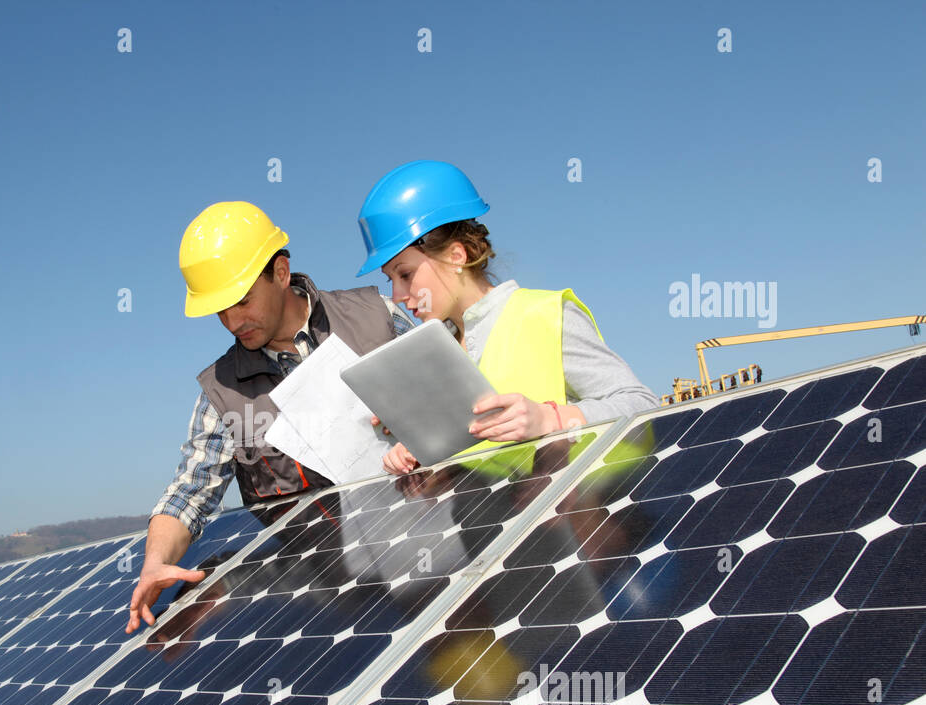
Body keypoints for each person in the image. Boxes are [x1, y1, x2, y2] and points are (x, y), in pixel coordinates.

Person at [127, 201, 414, 633]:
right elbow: (190, 492)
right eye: (219, 310)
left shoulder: (378, 320)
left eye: (241, 301)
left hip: (433, 558)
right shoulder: (222, 392)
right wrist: (154, 563)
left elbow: (456, 416)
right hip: (332, 607)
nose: (231, 321)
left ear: (280, 272)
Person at [355, 160, 658, 474]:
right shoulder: (429, 355)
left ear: (455, 256)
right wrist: (419, 453)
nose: (398, 296)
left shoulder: (544, 315)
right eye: (390, 279)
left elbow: (643, 406)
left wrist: (551, 420)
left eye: (405, 274)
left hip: (578, 516)